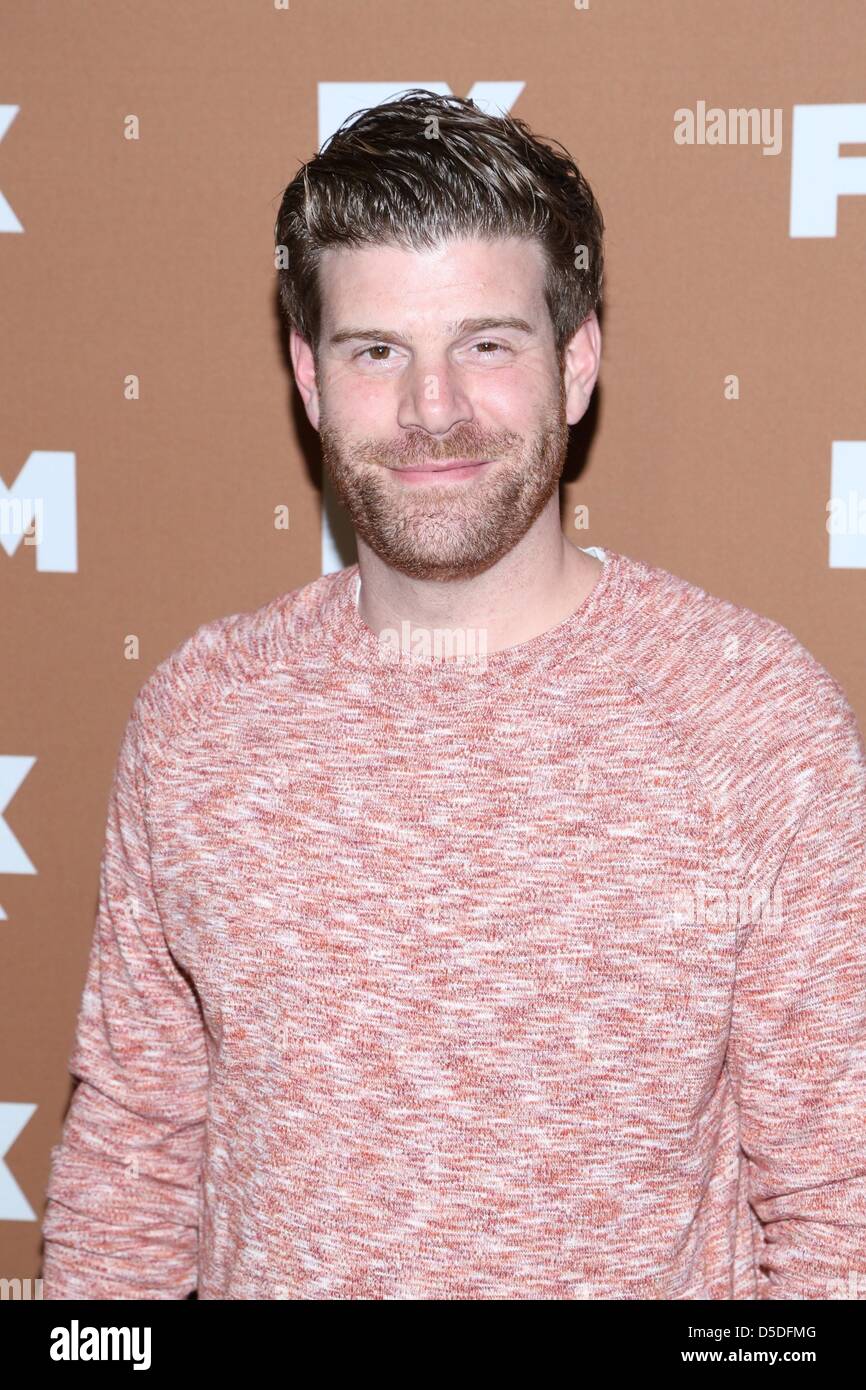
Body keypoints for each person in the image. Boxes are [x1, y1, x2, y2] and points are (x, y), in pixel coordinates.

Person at [41, 89, 866, 1301]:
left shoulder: (750, 719)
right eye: (377, 351)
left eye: (486, 343)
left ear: (574, 365)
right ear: (309, 379)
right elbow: (130, 1162)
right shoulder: (200, 716)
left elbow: (835, 1208)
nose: (433, 410)